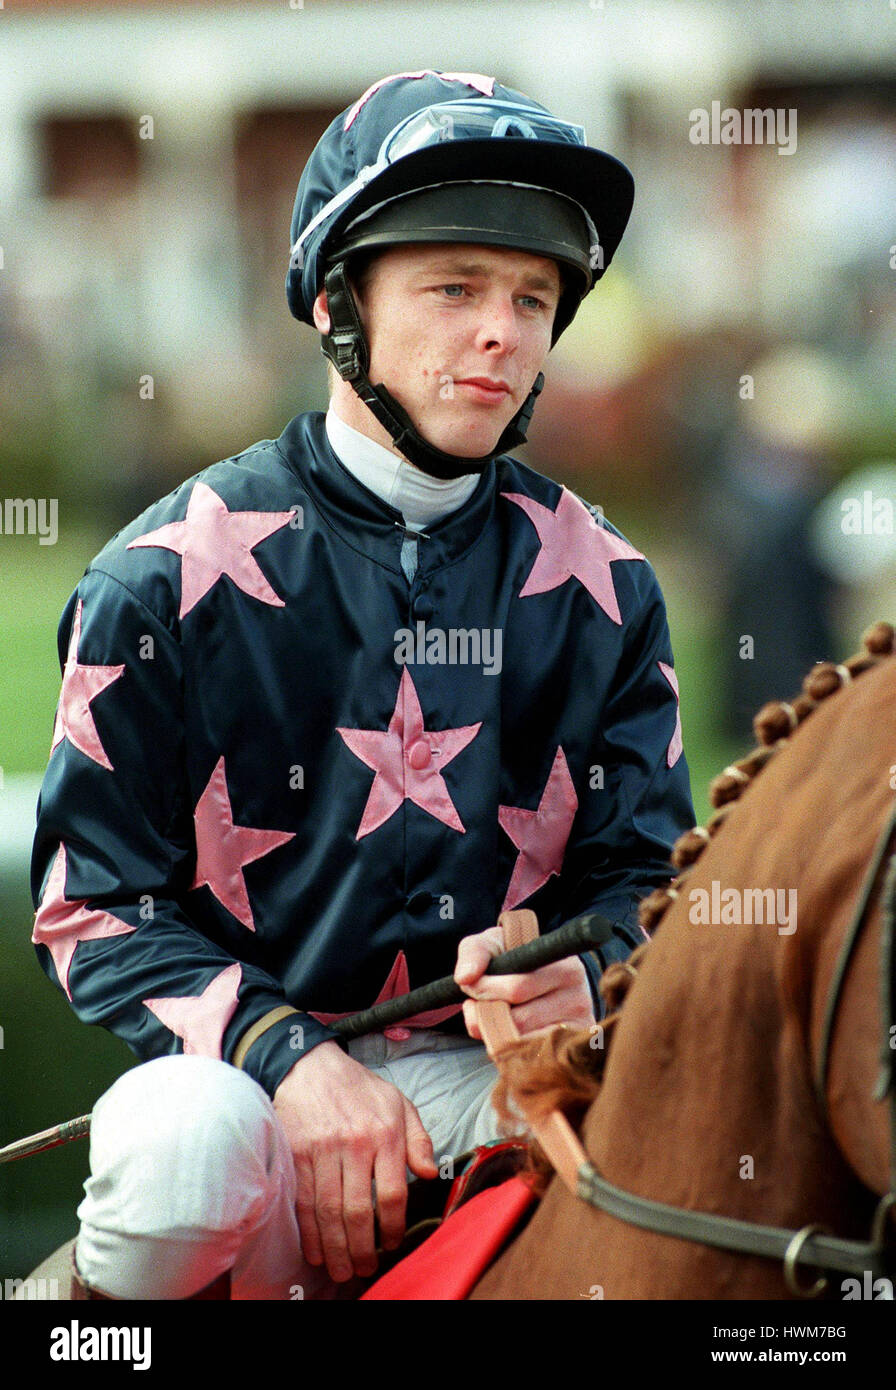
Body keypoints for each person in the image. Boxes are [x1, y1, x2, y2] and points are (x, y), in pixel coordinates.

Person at [30, 70, 694, 1300]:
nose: (500, 331)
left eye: (531, 298)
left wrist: (588, 968)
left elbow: (647, 881)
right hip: (244, 1107)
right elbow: (91, 903)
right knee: (176, 1147)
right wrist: (290, 1058)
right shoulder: (157, 580)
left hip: (497, 1093)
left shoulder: (608, 582)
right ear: (338, 304)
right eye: (452, 288)